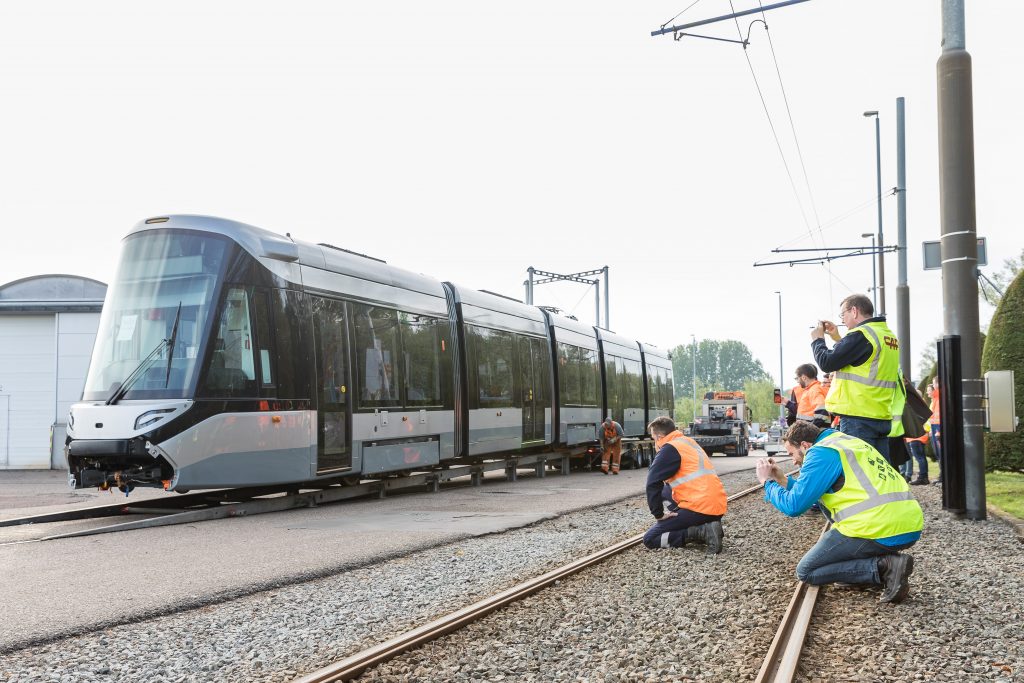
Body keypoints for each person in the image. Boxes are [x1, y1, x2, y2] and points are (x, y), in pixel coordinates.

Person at [756, 421, 924, 603]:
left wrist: (767, 482)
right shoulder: (847, 443)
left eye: (792, 454)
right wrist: (781, 479)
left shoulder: (820, 453)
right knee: (836, 567)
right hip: (908, 523)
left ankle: (885, 567)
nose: (794, 461)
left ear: (805, 446)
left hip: (878, 526)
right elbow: (810, 492)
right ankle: (872, 567)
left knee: (807, 571)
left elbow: (794, 506)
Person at [812, 294, 904, 461]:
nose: (843, 319)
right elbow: (861, 361)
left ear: (854, 311)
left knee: (859, 474)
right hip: (880, 415)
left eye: (843, 314)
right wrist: (837, 338)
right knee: (879, 473)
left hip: (858, 417)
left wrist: (818, 340)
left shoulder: (862, 335)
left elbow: (826, 362)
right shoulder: (886, 335)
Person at [643, 416, 727, 553]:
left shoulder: (669, 449)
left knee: (650, 538)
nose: (654, 442)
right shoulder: (688, 442)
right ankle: (709, 525)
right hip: (717, 507)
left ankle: (700, 532)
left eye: (653, 438)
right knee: (665, 490)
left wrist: (658, 515)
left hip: (700, 508)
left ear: (659, 437)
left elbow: (652, 483)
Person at [793, 363, 830, 427]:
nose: (797, 381)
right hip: (812, 430)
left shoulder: (814, 389)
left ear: (803, 377)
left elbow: (822, 410)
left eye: (797, 378)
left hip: (813, 432)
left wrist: (812, 428)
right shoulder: (812, 389)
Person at [928, 376, 942, 485]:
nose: (932, 387)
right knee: (938, 453)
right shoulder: (936, 398)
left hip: (938, 427)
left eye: (933, 384)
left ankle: (943, 477)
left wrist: (939, 431)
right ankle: (942, 476)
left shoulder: (939, 397)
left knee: (941, 453)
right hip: (935, 427)